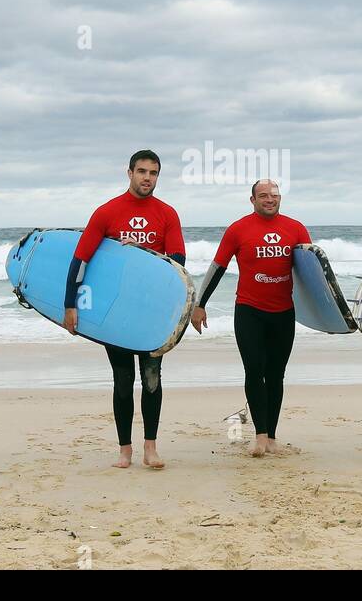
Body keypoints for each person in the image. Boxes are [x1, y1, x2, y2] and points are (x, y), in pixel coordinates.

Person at [63, 150, 185, 469]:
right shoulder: (107, 212)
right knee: (122, 379)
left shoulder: (167, 214)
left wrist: (143, 255)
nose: (147, 177)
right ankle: (124, 450)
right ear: (129, 173)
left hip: (152, 313)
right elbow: (81, 260)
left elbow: (178, 264)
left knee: (152, 379)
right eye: (142, 171)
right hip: (115, 312)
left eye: (153, 173)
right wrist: (70, 304)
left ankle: (150, 448)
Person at [190, 180, 311, 457]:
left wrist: (329, 316)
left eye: (274, 195)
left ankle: (272, 436)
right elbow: (217, 266)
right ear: (252, 200)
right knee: (255, 371)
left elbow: (312, 275)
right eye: (264, 196)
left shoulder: (296, 229)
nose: (270, 199)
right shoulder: (238, 229)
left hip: (283, 313)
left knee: (276, 375)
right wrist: (200, 304)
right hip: (249, 311)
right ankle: (260, 435)